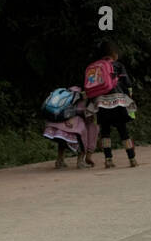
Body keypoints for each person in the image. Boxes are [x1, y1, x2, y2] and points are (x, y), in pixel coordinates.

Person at [90, 40, 138, 168]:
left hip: (101, 104)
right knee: (123, 131)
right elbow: (127, 83)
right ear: (114, 54)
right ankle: (132, 158)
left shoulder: (96, 67)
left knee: (105, 132)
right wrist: (130, 98)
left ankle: (108, 160)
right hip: (117, 102)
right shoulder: (118, 65)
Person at [42, 86, 98, 170]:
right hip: (75, 122)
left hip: (61, 120)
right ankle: (80, 162)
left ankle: (59, 161)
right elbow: (88, 116)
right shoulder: (90, 95)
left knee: (62, 141)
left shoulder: (72, 91)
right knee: (83, 139)